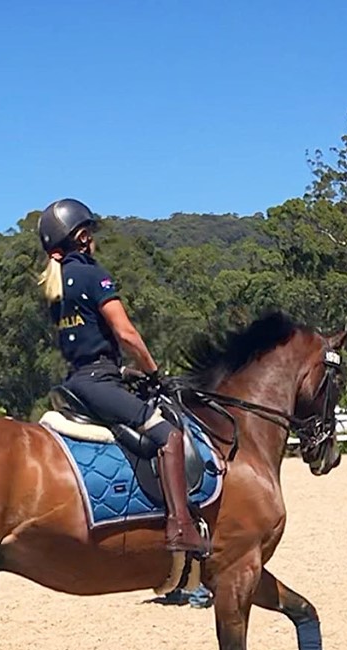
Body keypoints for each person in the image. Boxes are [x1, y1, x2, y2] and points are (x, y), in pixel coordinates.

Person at [38, 198, 208, 556]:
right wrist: (152, 370)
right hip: (98, 382)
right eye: (91, 234)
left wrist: (122, 371)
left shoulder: (56, 285)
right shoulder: (91, 274)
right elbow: (126, 333)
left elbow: (86, 342)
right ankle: (181, 527)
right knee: (169, 436)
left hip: (80, 381)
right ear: (81, 237)